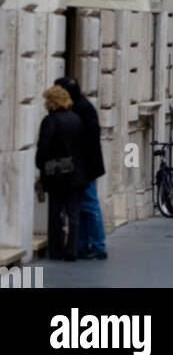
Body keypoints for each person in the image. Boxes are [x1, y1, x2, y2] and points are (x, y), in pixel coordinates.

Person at [54, 75, 106, 260]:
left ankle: (99, 245)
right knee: (84, 206)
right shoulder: (80, 105)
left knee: (90, 205)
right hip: (84, 165)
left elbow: (90, 139)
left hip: (87, 167)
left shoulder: (82, 107)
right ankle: (85, 244)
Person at [35, 85, 88, 261]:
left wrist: (40, 166)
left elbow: (43, 148)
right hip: (77, 173)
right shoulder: (76, 119)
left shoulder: (50, 120)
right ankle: (72, 251)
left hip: (57, 174)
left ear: (51, 102)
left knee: (55, 213)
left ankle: (56, 250)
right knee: (73, 215)